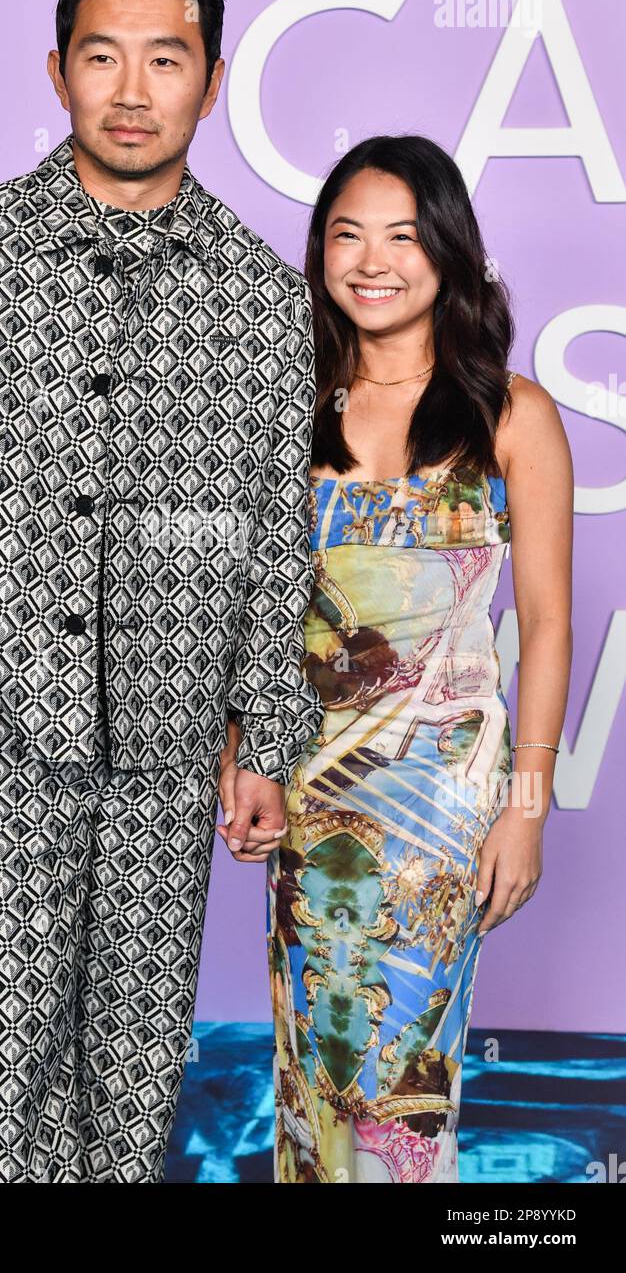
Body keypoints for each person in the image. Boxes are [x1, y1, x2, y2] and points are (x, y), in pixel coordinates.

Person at [0, 0, 323, 1183]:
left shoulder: (263, 301)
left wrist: (262, 737)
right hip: (5, 736)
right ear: (55, 70)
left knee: (134, 1072)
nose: (129, 91)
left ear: (210, 81)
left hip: (172, 759)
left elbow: (278, 527)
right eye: (101, 57)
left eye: (163, 61)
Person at [219, 135, 573, 1183]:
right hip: (309, 793)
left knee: (405, 1089)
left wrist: (525, 804)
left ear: (446, 253)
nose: (370, 261)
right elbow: (252, 614)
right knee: (315, 1071)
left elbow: (546, 622)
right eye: (345, 236)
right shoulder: (283, 408)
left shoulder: (511, 414)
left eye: (400, 237)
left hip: (441, 810)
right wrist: (237, 760)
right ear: (320, 253)